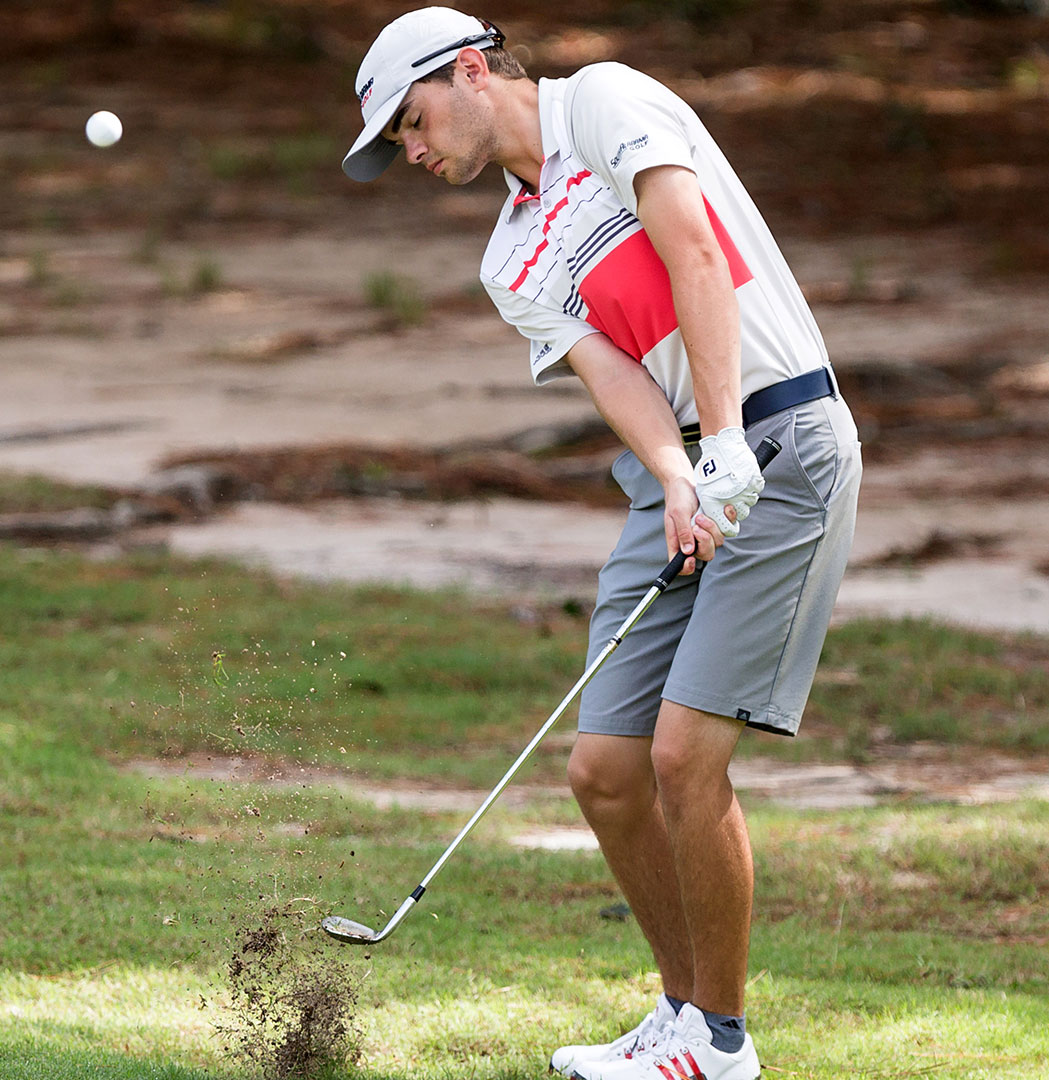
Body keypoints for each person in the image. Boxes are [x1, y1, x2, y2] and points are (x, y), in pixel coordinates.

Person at [341, 9, 862, 1080]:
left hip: (783, 437)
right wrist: (679, 477)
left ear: (472, 72)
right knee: (607, 772)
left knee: (683, 757)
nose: (414, 148)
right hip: (676, 469)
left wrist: (723, 445)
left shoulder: (606, 103)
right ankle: (681, 1014)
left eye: (412, 120)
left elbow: (695, 253)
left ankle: (721, 1045)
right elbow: (614, 376)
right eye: (399, 140)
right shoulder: (509, 254)